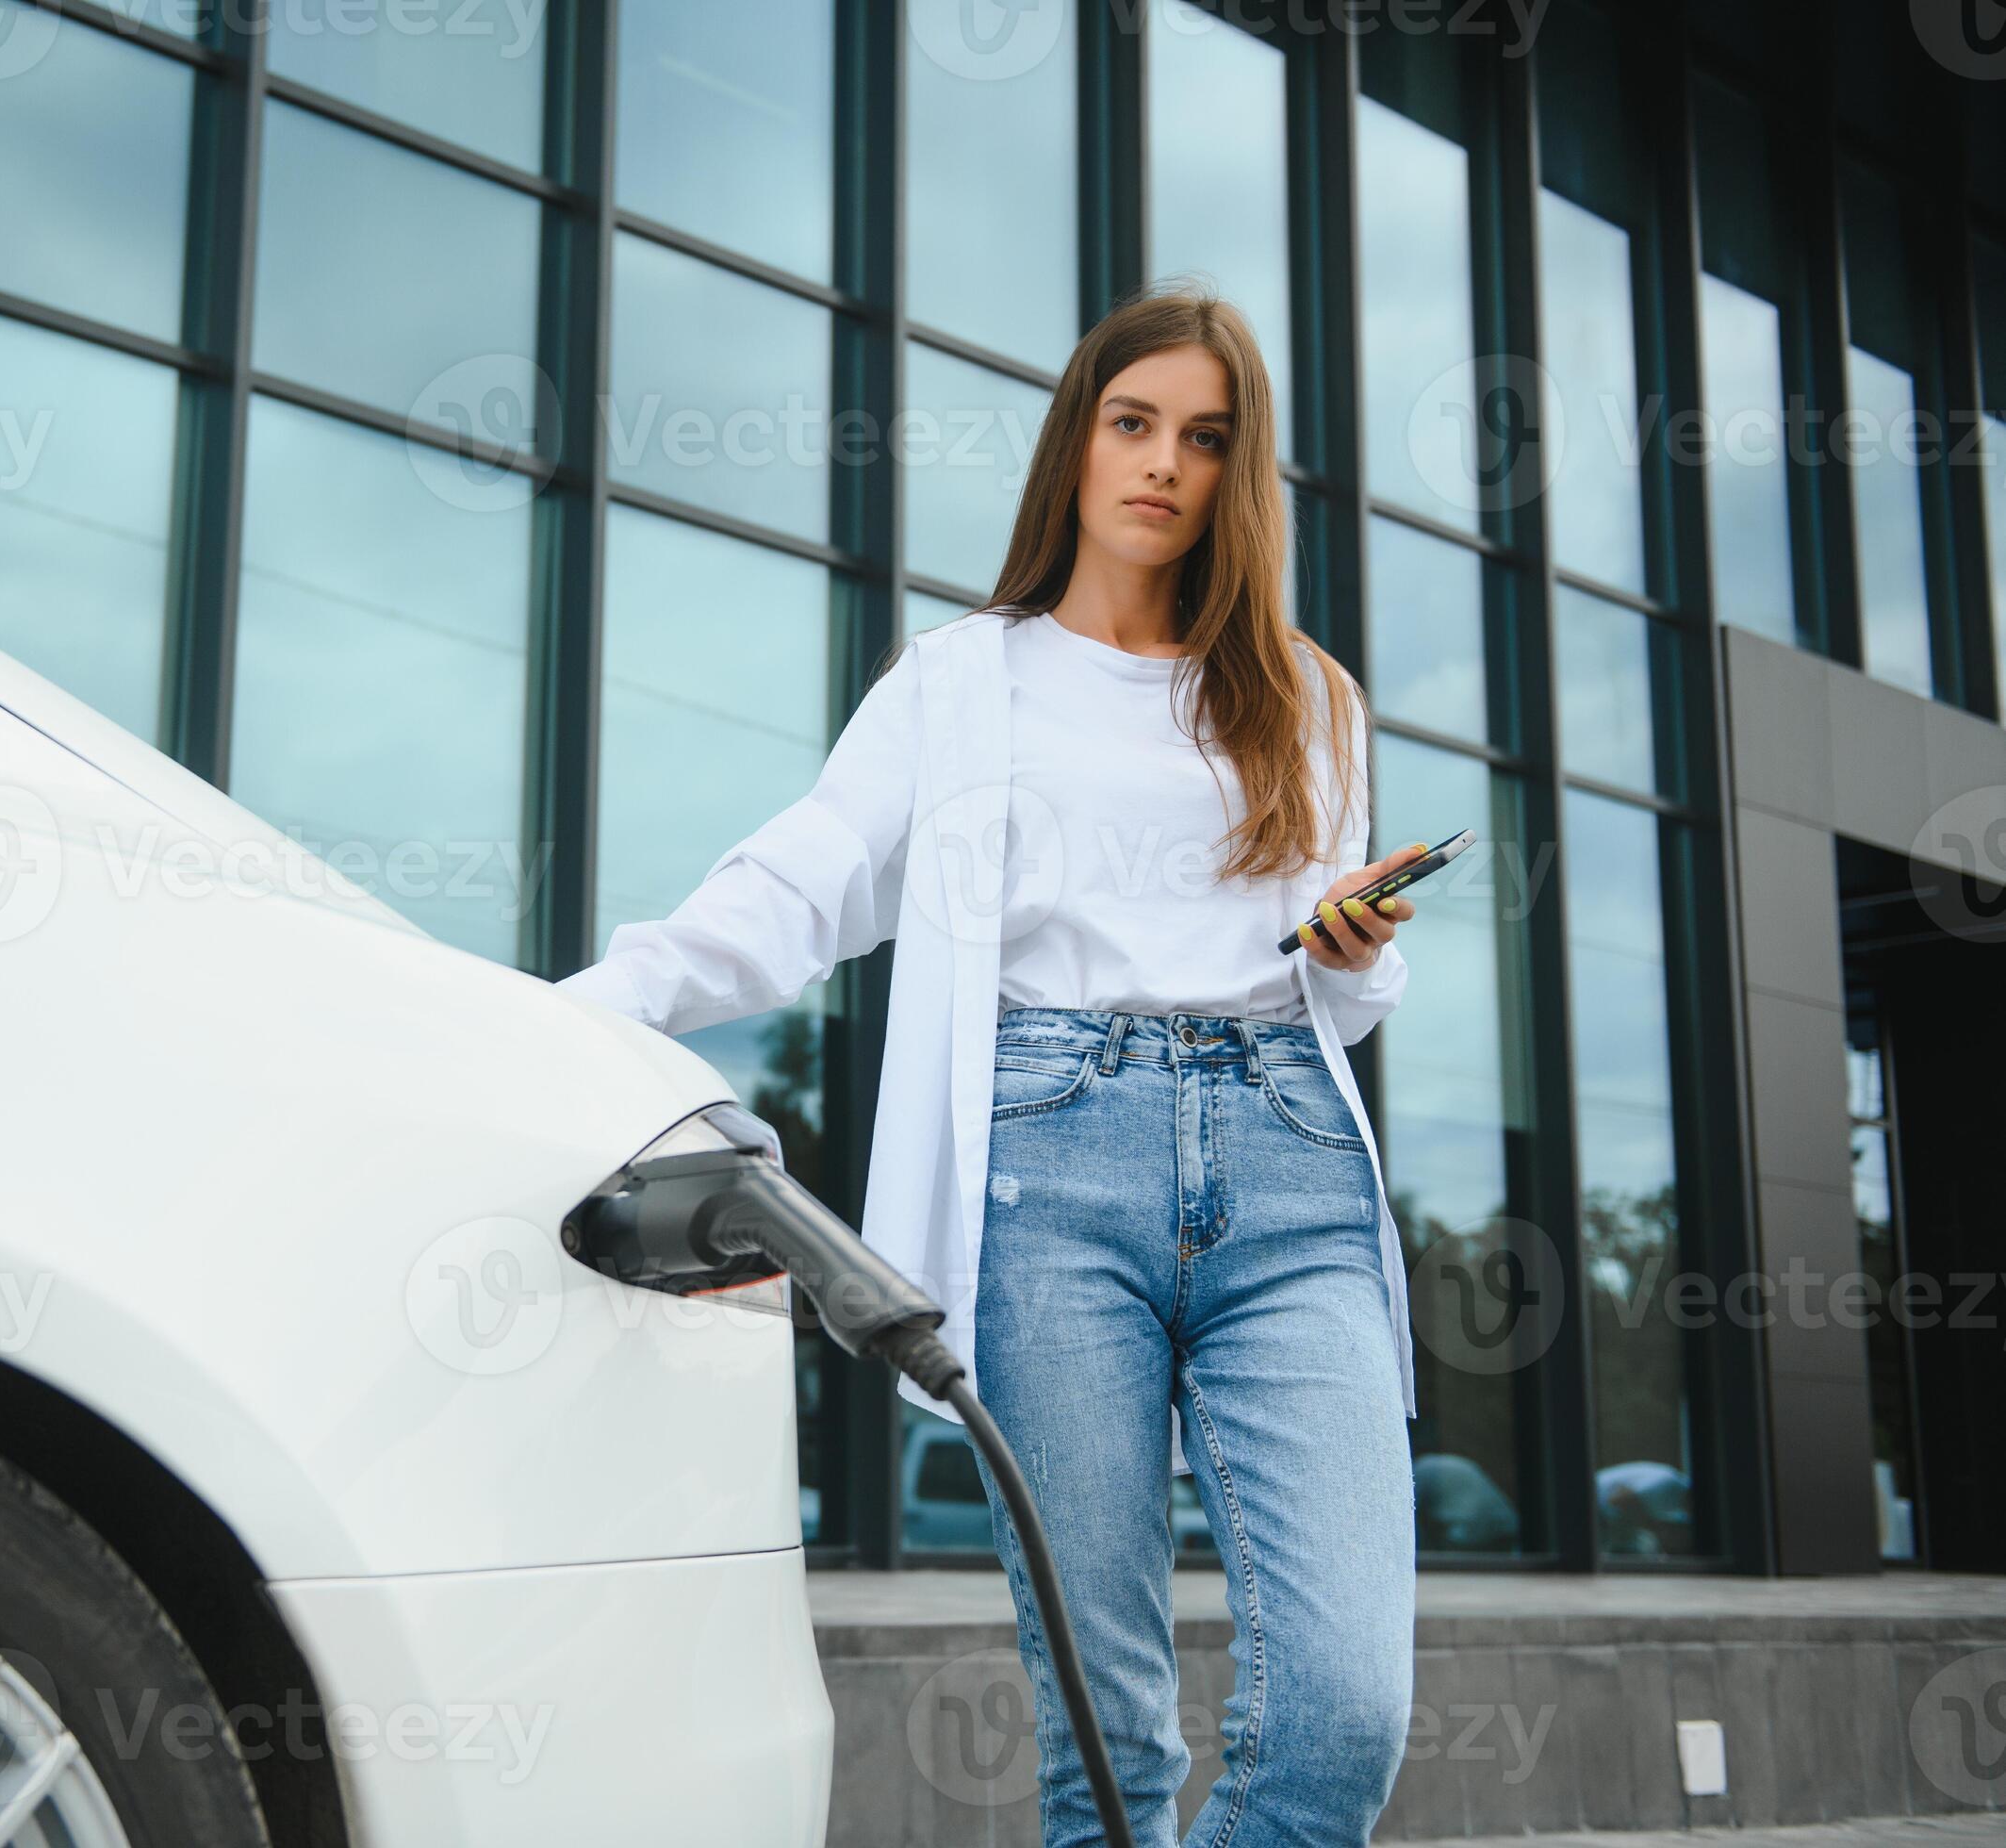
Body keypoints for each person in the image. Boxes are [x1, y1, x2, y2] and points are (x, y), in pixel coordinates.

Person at [556, 284, 1427, 1846]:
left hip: (1288, 1160)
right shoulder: (962, 682)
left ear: (1244, 474)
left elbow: (1336, 990)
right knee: (1108, 1734)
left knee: (1344, 1710)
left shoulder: (1308, 699)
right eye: (1132, 423)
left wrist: (1360, 959)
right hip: (1050, 1170)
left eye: (1206, 439)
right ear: (1077, 445)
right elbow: (804, 880)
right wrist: (601, 999)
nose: (1164, 463)